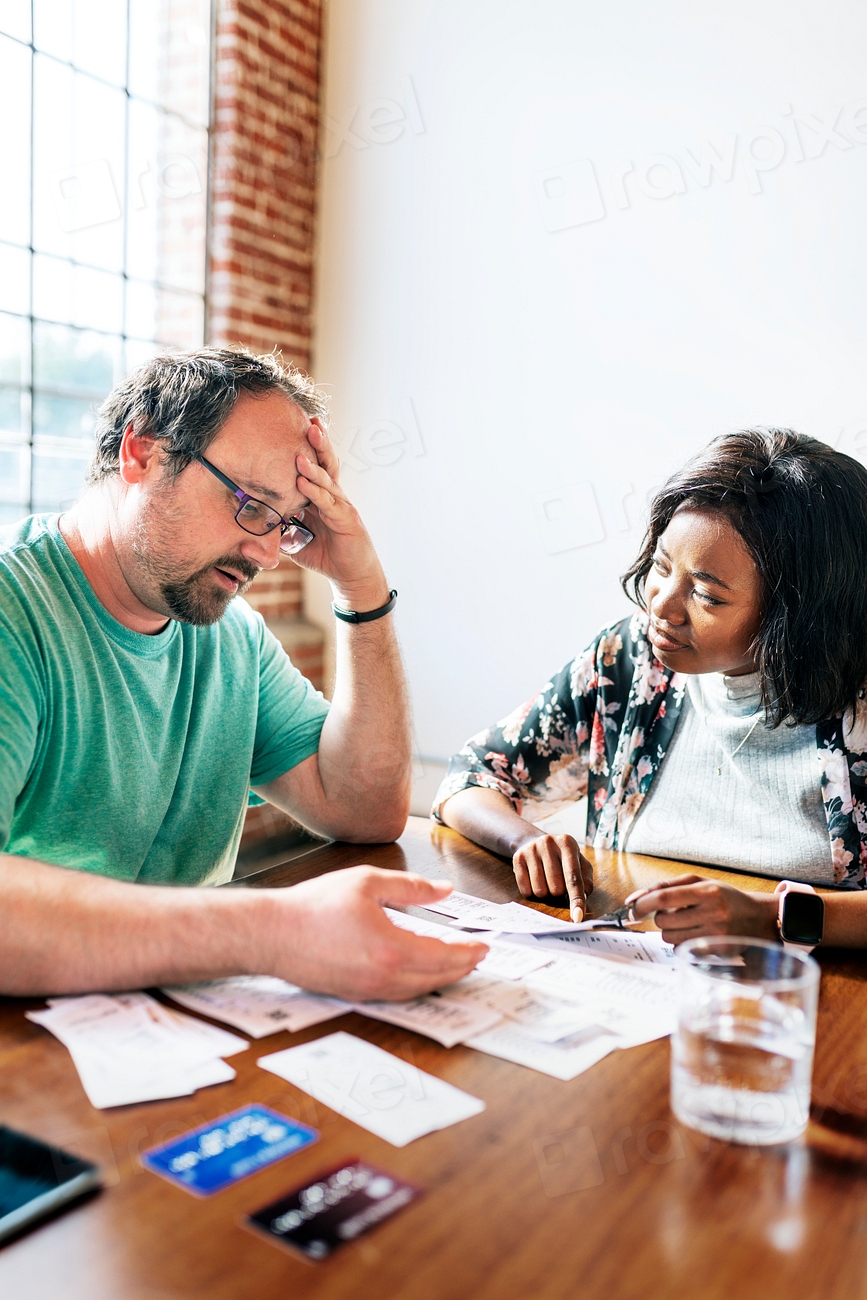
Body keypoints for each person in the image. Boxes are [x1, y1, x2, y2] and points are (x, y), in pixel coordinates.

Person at [0, 348, 487, 998]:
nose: (268, 553)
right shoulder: (15, 609)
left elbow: (362, 809)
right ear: (140, 452)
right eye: (252, 503)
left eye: (286, 524)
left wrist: (360, 584)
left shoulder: (230, 636)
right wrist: (273, 931)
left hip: (173, 1025)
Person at [435, 428, 867, 949]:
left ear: (796, 614)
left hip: (813, 1001)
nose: (661, 604)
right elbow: (471, 776)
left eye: (706, 594)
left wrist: (770, 917)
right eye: (662, 567)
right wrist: (526, 840)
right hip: (636, 975)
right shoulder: (628, 664)